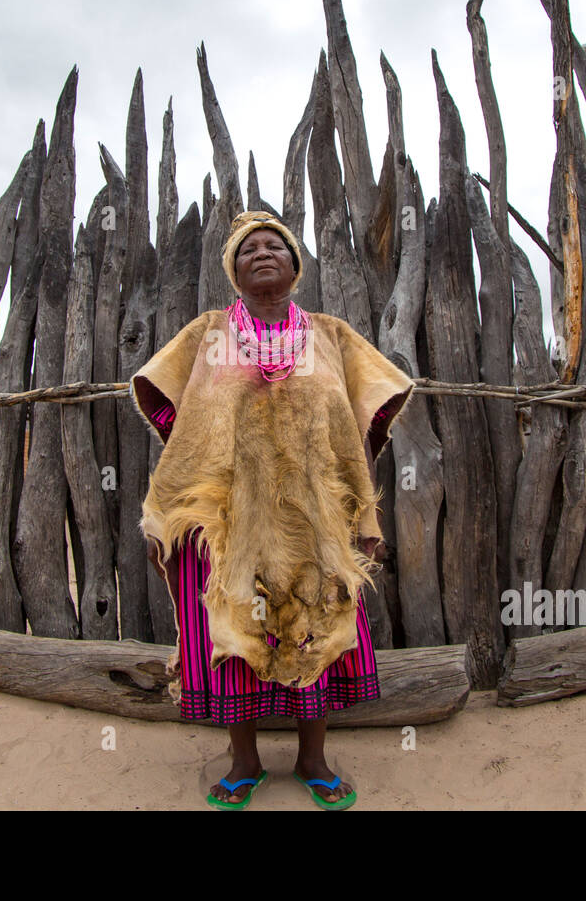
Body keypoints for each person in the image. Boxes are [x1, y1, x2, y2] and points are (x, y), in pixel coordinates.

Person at [129, 211, 414, 810]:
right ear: (233, 269)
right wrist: (191, 487)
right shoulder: (207, 334)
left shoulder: (330, 336)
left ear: (294, 265)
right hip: (229, 521)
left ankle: (314, 761)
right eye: (249, 248)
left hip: (317, 521)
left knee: (313, 628)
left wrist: (361, 515)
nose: (263, 253)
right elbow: (167, 403)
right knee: (238, 630)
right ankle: (244, 765)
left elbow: (361, 419)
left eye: (275, 246)